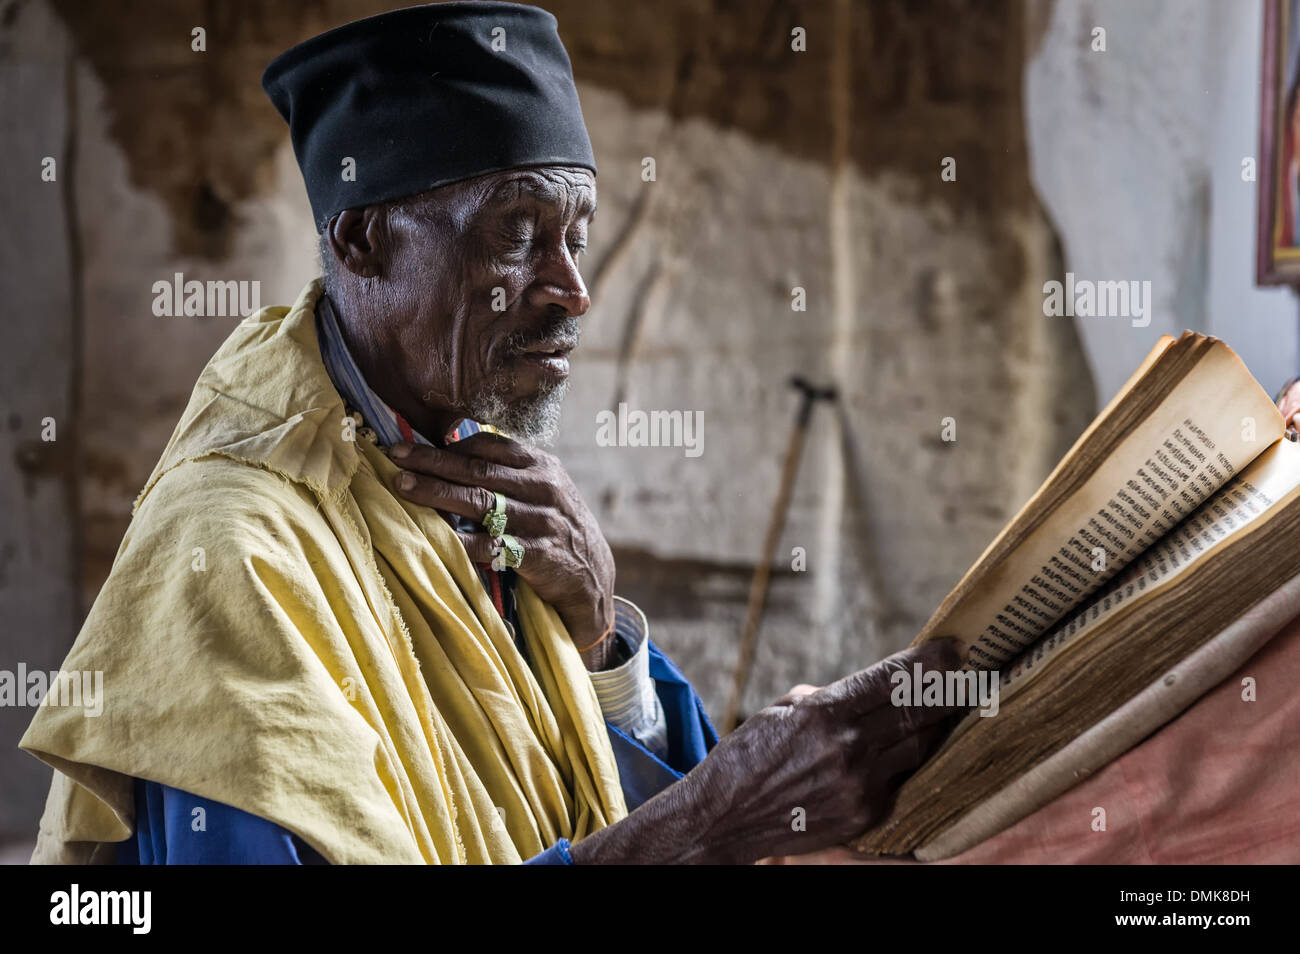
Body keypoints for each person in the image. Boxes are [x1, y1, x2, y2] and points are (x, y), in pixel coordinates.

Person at [21, 1, 958, 865]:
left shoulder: (484, 486)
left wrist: (599, 640)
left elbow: (581, 814)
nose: (573, 291)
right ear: (362, 240)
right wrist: (711, 821)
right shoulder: (229, 553)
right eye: (515, 232)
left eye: (575, 237)